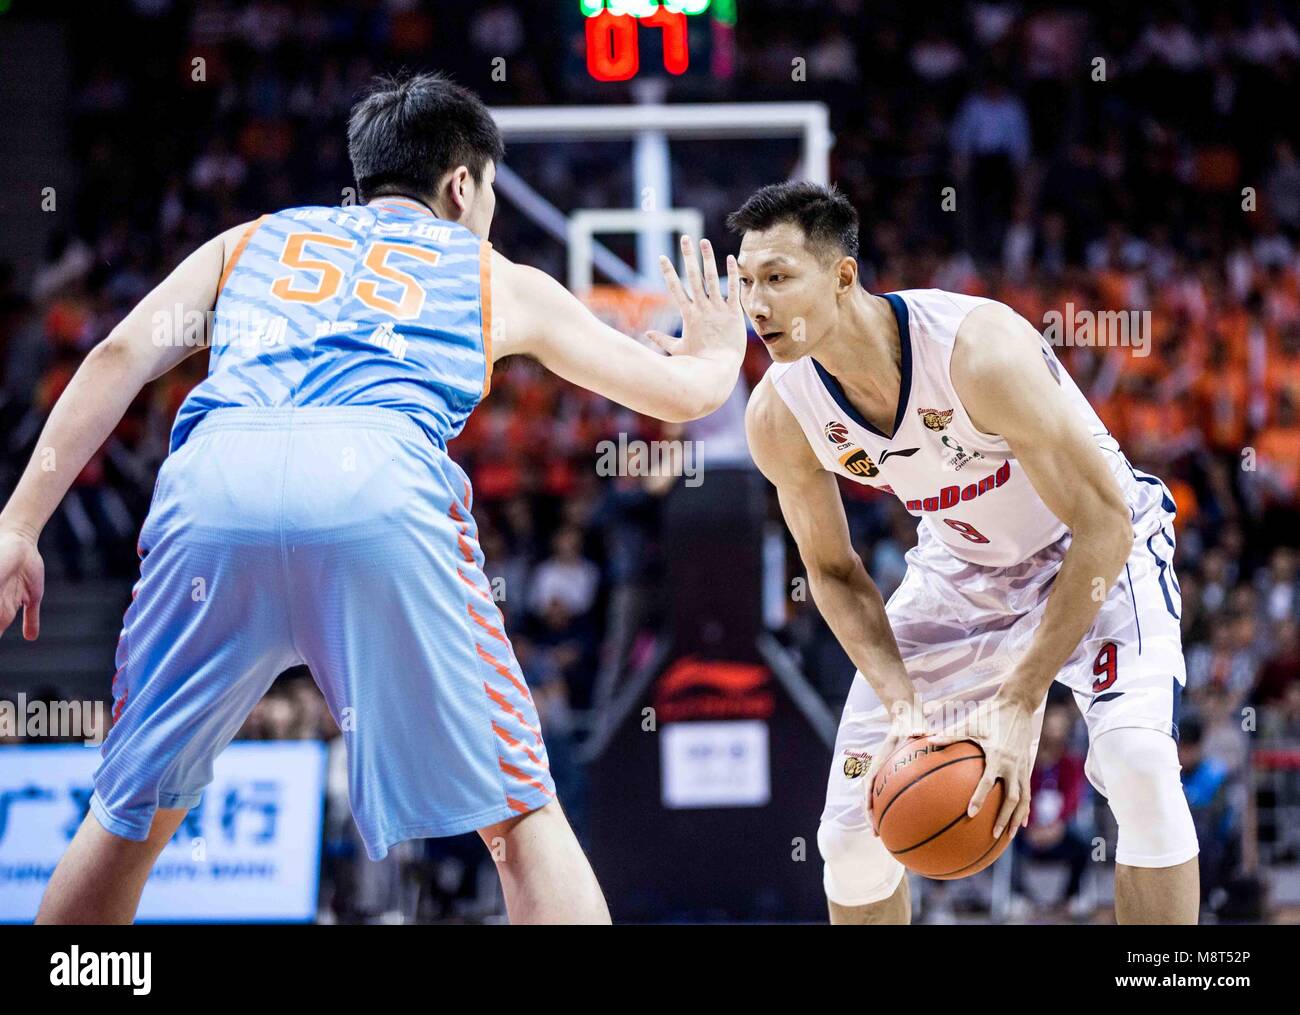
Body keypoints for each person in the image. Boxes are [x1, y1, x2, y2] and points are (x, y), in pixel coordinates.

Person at [0, 72, 746, 925]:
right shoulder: (493, 274)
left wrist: (19, 523)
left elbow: (116, 357)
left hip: (213, 483)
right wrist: (719, 352)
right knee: (521, 815)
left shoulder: (250, 242)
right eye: (494, 192)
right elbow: (678, 398)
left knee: (126, 815)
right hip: (375, 484)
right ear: (462, 185)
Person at [734, 181, 1198, 924]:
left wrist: (1020, 697)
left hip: (1099, 549)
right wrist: (901, 704)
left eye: (779, 278)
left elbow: (1103, 521)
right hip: (961, 573)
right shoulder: (780, 414)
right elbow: (830, 570)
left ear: (844, 277)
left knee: (1141, 766)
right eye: (746, 281)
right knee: (849, 839)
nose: (757, 304)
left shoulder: (978, 351)